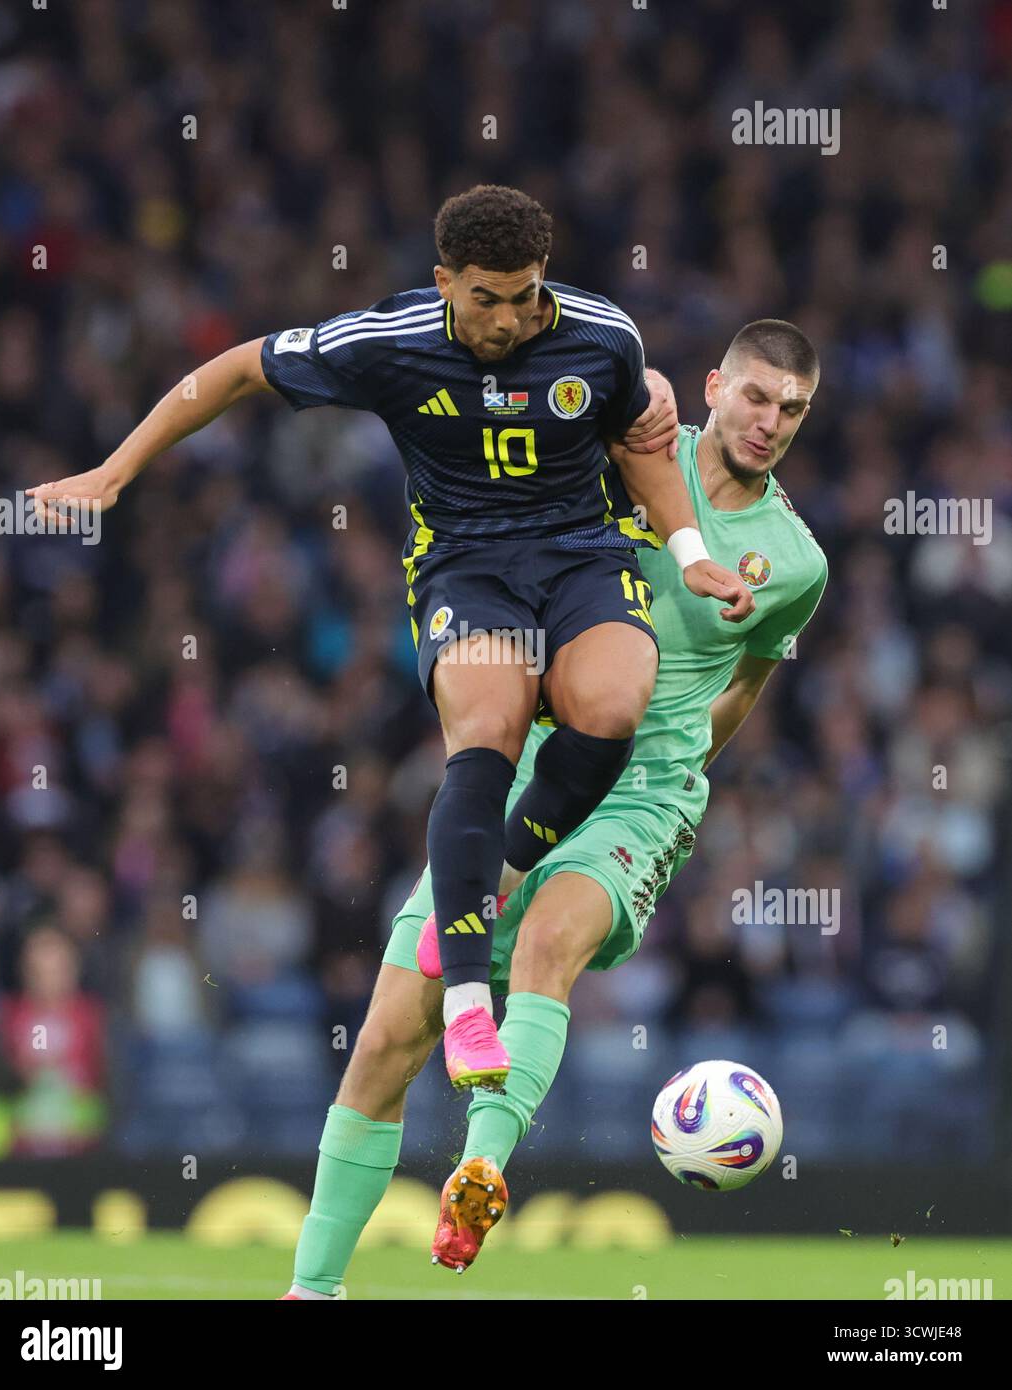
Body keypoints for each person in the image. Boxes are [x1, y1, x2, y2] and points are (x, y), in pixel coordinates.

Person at [28, 184, 752, 1091]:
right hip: (465, 567)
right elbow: (239, 368)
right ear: (444, 280)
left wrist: (687, 552)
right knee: (485, 729)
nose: (505, 318)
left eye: (524, 294)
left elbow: (641, 449)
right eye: (483, 297)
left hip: (580, 556)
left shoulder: (604, 338)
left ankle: (496, 874)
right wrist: (115, 467)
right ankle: (464, 1006)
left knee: (611, 707)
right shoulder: (387, 341)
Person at [280, 318, 827, 1298]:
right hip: (535, 756)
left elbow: (742, 685)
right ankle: (311, 1289)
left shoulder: (794, 562)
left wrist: (678, 777)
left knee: (548, 945)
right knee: (388, 1038)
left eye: (791, 409)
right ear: (712, 387)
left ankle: (481, 1168)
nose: (769, 421)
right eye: (756, 396)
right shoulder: (616, 463)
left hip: (644, 794)